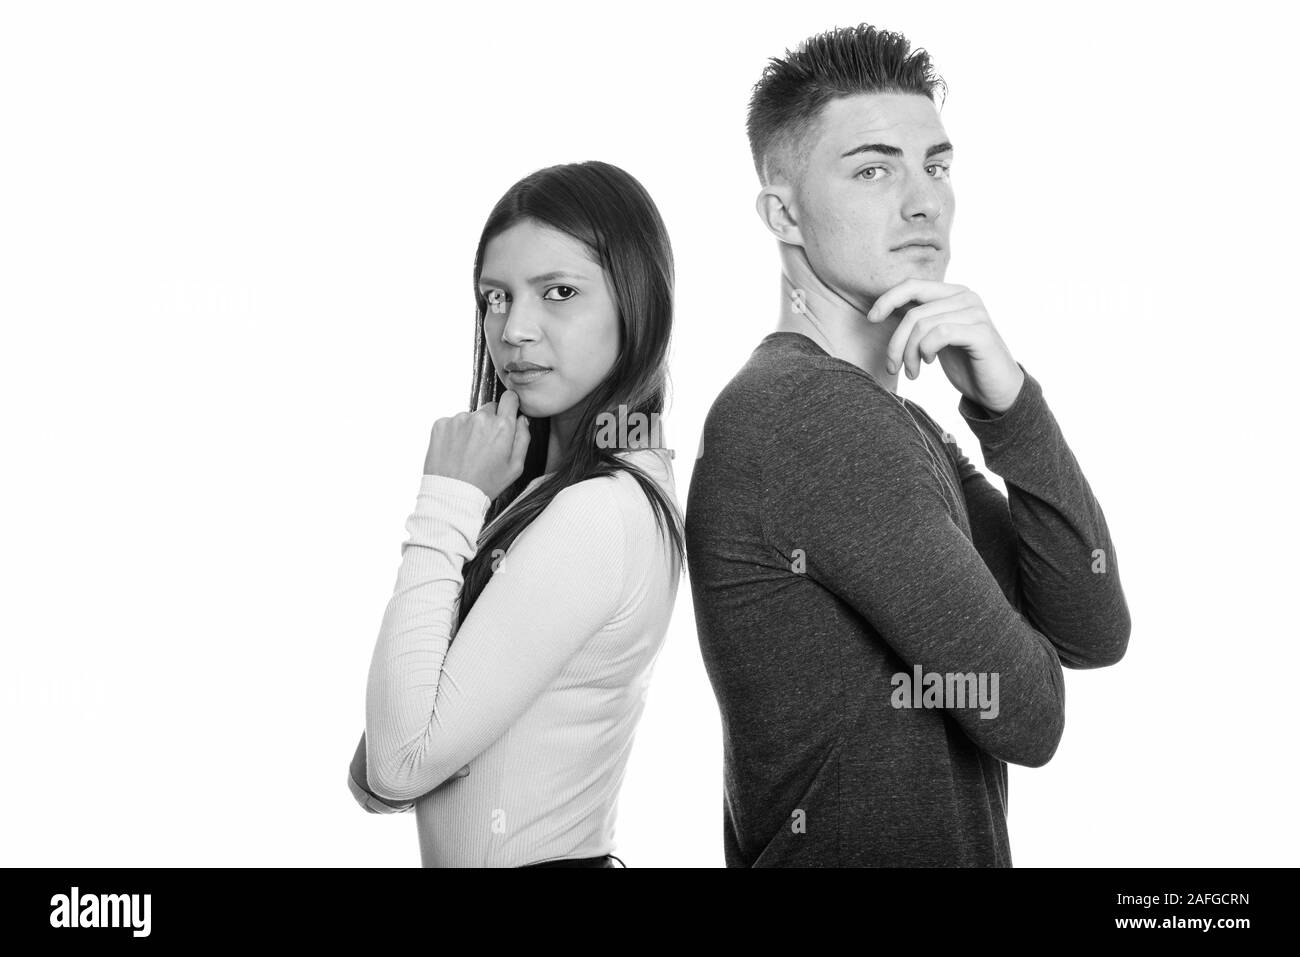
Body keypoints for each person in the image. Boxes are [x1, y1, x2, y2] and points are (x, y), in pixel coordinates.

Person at [684, 23, 1132, 866]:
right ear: (782, 211)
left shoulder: (894, 423)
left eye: (937, 165)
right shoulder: (809, 416)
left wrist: (1006, 400)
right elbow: (1029, 713)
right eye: (873, 168)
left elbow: (1092, 624)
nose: (924, 199)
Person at [346, 161, 684, 868]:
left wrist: (447, 497)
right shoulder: (553, 493)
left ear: (637, 300)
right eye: (495, 298)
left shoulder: (602, 510)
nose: (515, 330)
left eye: (559, 292)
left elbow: (396, 766)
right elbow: (376, 772)